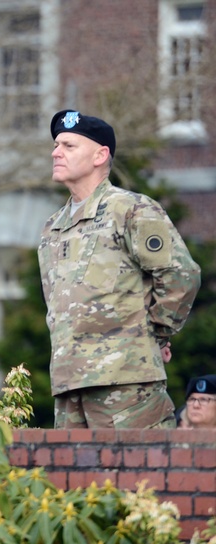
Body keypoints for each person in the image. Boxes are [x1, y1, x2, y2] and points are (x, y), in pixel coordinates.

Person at [38, 110, 200, 429]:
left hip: (125, 381)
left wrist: (155, 333)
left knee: (139, 477)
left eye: (69, 146)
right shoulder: (53, 227)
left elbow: (181, 275)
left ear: (100, 155)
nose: (56, 153)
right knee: (73, 478)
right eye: (56, 145)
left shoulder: (130, 210)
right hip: (70, 384)